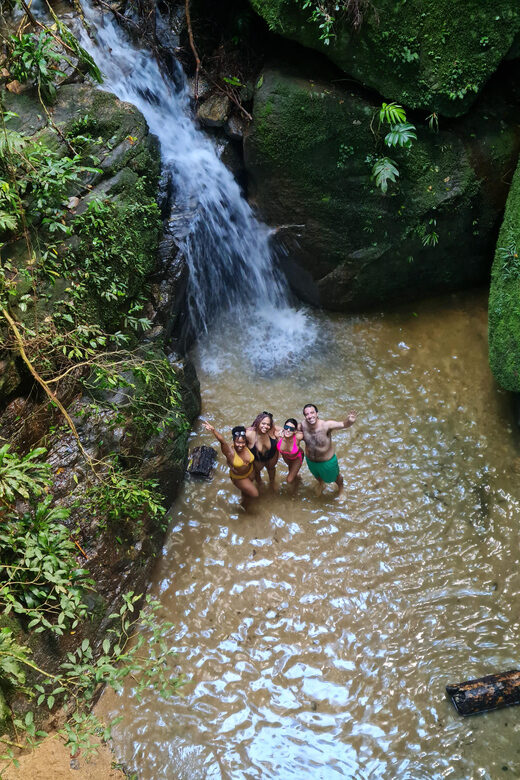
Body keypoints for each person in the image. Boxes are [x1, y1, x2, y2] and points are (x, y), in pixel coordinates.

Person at [300, 403, 356, 501]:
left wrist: (350, 421)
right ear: (305, 416)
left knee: (336, 477)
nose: (310, 416)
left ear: (317, 413)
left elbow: (343, 424)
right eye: (307, 414)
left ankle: (341, 489)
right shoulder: (302, 426)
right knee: (317, 476)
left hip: (327, 462)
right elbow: (290, 430)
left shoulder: (326, 425)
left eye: (312, 413)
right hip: (311, 461)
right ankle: (321, 484)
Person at [203, 421, 259, 499]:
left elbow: (255, 433)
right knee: (255, 494)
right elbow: (222, 441)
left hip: (251, 472)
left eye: (243, 442)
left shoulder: (247, 445)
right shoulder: (229, 451)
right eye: (238, 442)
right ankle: (244, 506)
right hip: (239, 477)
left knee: (246, 494)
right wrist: (213, 430)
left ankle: (245, 500)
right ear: (234, 441)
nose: (241, 445)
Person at [246, 412, 281, 488]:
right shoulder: (249, 434)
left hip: (272, 456)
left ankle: (272, 483)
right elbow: (238, 443)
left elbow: (284, 430)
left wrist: (280, 436)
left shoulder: (271, 429)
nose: (266, 426)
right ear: (258, 422)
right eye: (263, 423)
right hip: (258, 459)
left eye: (268, 424)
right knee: (256, 473)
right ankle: (260, 484)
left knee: (271, 469)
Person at [276, 417, 304, 485]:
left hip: (297, 458)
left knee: (289, 480)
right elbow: (271, 425)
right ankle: (298, 480)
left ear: (295, 431)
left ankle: (296, 484)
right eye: (286, 427)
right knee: (292, 473)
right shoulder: (279, 435)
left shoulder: (298, 437)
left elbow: (309, 431)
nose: (288, 430)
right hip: (286, 458)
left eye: (291, 429)